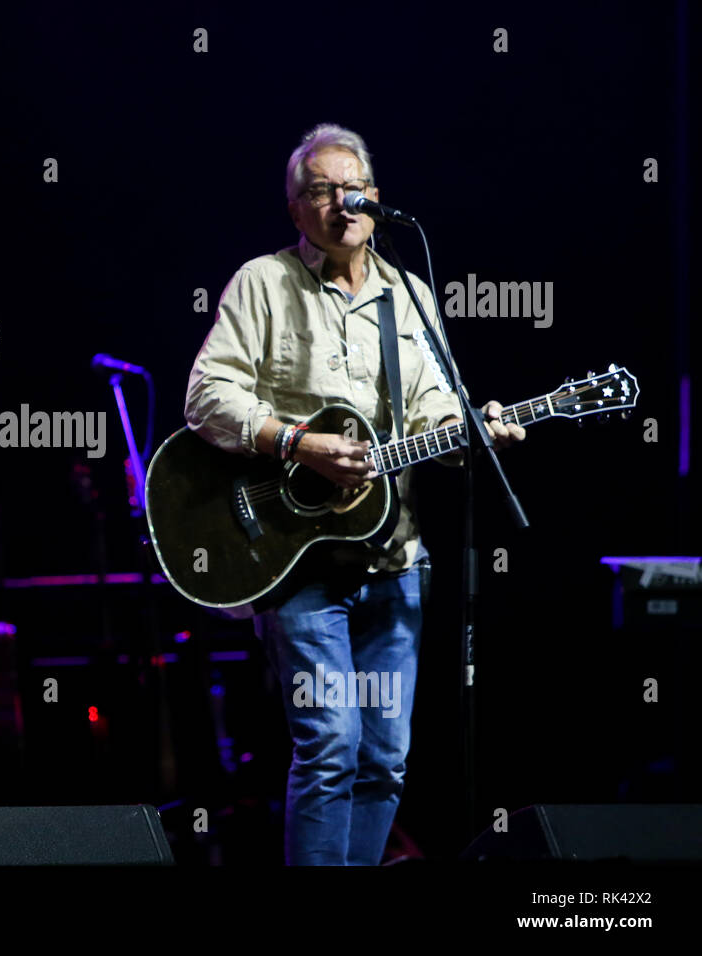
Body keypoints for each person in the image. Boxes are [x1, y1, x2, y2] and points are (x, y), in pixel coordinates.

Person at [184, 123, 525, 865]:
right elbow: (206, 397)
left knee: (383, 761)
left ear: (376, 198)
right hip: (294, 562)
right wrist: (296, 442)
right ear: (296, 209)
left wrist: (476, 427)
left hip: (394, 559)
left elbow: (438, 406)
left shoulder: (408, 294)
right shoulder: (263, 283)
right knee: (332, 743)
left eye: (355, 189)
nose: (343, 203)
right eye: (321, 191)